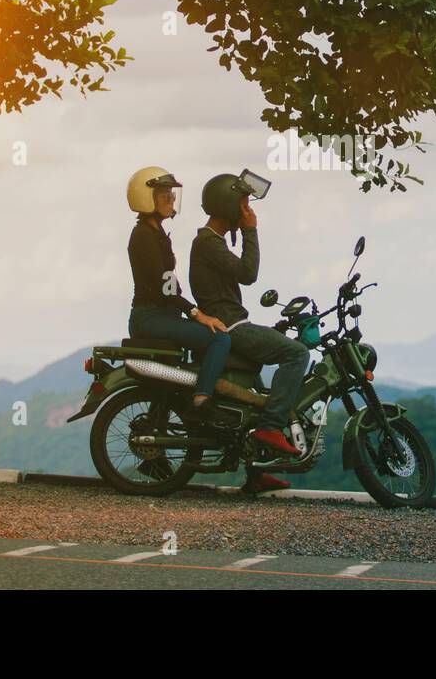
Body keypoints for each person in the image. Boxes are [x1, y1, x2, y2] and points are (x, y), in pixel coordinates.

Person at [189, 173, 309, 494]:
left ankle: (257, 469)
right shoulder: (207, 242)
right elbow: (248, 274)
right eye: (242, 203)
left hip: (233, 322)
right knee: (297, 353)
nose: (246, 209)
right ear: (227, 205)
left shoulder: (209, 242)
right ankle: (271, 429)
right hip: (232, 326)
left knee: (257, 388)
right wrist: (251, 230)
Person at [125, 166, 230, 421]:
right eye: (164, 195)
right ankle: (202, 399)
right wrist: (197, 314)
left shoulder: (155, 233)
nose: (171, 200)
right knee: (220, 339)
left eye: (172, 195)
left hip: (160, 315)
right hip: (151, 318)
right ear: (145, 198)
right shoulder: (144, 237)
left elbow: (170, 285)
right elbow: (165, 287)